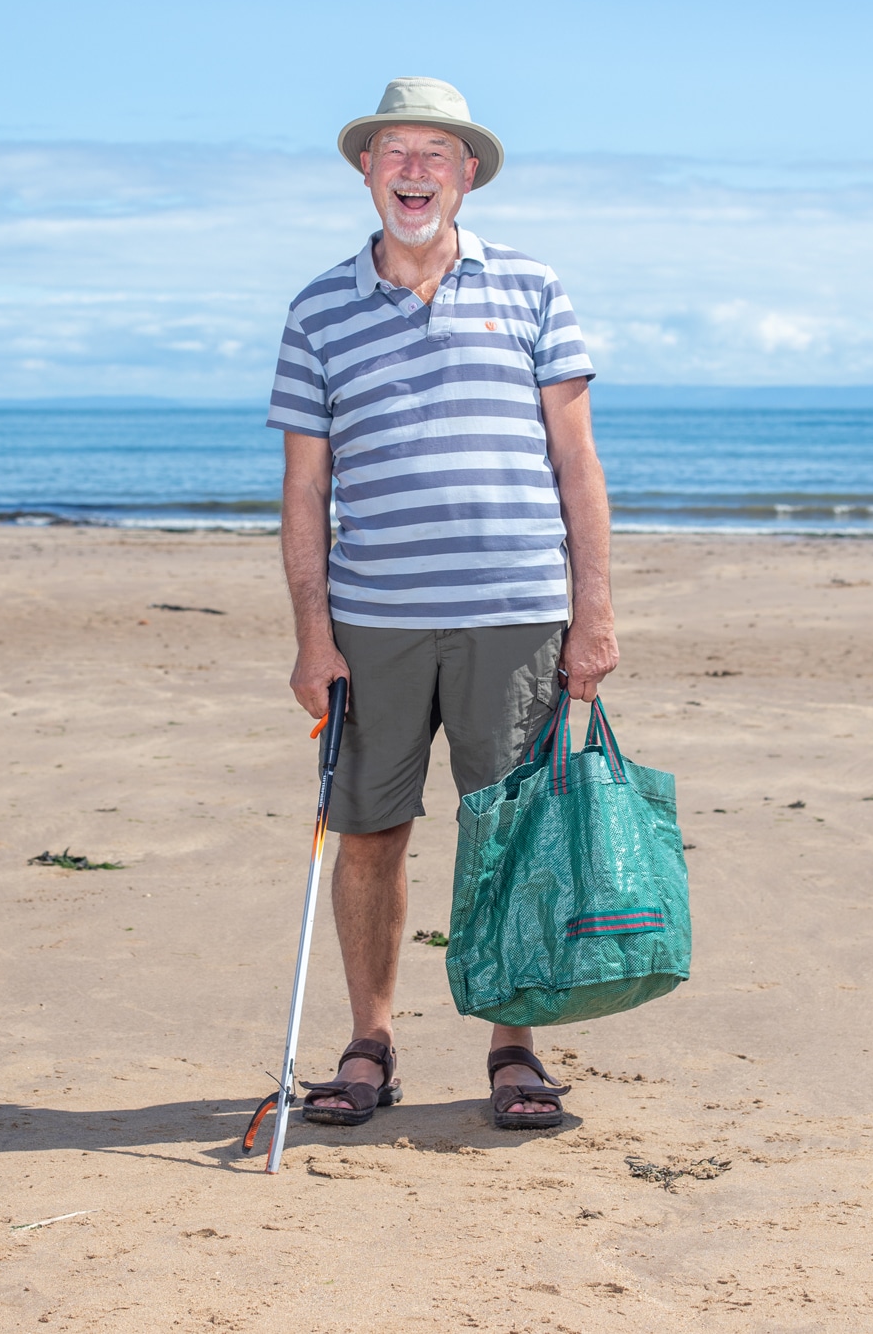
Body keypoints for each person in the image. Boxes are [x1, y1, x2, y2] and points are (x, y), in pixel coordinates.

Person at [266, 77, 618, 1128]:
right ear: (368, 172)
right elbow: (303, 489)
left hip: (514, 611)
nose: (414, 169)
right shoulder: (319, 309)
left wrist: (592, 614)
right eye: (394, 151)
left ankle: (514, 1048)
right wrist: (310, 638)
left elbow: (579, 463)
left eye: (436, 152)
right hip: (373, 622)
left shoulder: (533, 288)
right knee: (368, 831)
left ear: (467, 175)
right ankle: (369, 1042)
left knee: (508, 831)